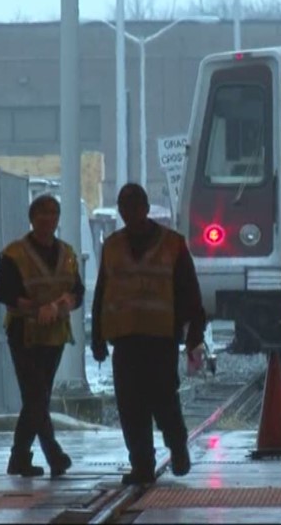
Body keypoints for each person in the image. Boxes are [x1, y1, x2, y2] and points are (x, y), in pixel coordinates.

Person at [91, 183, 207, 485]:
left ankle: (177, 446)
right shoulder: (112, 245)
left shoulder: (173, 244)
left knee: (164, 400)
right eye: (123, 208)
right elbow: (103, 292)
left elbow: (190, 292)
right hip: (125, 339)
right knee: (130, 406)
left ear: (145, 208)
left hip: (160, 339)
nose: (128, 213)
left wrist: (195, 332)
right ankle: (142, 464)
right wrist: (98, 337)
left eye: (133, 207)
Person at [0, 194, 85, 478]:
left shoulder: (67, 253)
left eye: (53, 213)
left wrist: (64, 303)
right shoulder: (15, 254)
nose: (48, 218)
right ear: (32, 219)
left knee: (38, 398)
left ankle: (20, 458)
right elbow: (3, 292)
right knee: (35, 396)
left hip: (55, 335)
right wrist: (34, 308)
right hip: (25, 333)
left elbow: (77, 290)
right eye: (42, 213)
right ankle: (52, 454)